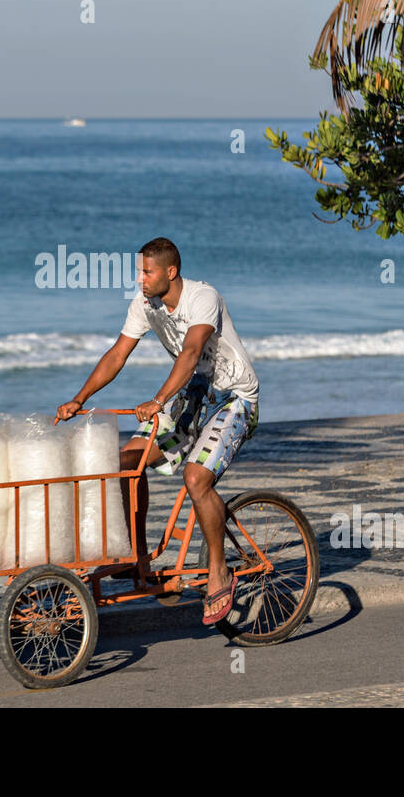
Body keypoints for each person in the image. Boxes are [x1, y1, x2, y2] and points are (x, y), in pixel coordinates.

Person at [56, 237, 259, 626]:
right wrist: (78, 399)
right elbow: (117, 354)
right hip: (192, 395)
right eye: (138, 272)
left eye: (147, 272)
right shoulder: (144, 305)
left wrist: (159, 397)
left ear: (171, 272)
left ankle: (219, 572)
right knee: (126, 465)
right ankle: (140, 560)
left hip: (233, 398)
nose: (140, 279)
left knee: (196, 478)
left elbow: (191, 352)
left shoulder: (203, 298)